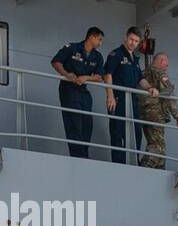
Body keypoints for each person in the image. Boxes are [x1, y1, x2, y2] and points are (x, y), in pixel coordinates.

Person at [50, 28, 105, 158]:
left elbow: (99, 76)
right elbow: (56, 62)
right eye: (99, 39)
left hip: (83, 91)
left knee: (87, 125)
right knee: (74, 123)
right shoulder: (72, 47)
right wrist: (66, 74)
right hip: (69, 89)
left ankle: (83, 155)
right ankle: (77, 156)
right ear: (92, 37)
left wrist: (86, 77)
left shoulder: (97, 56)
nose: (100, 43)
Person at [103, 26, 144, 165]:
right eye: (131, 39)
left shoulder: (135, 60)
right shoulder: (116, 54)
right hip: (119, 99)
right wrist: (110, 96)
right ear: (125, 38)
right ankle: (118, 163)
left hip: (132, 101)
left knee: (136, 132)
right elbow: (108, 74)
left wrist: (151, 88)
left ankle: (134, 162)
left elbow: (140, 79)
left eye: (136, 41)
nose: (133, 43)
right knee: (117, 131)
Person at [138, 53, 178, 169]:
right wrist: (177, 115)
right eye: (166, 65)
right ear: (162, 62)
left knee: (160, 147)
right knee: (156, 146)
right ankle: (143, 170)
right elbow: (168, 93)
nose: (167, 67)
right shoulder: (159, 73)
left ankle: (159, 173)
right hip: (155, 113)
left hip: (144, 113)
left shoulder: (142, 73)